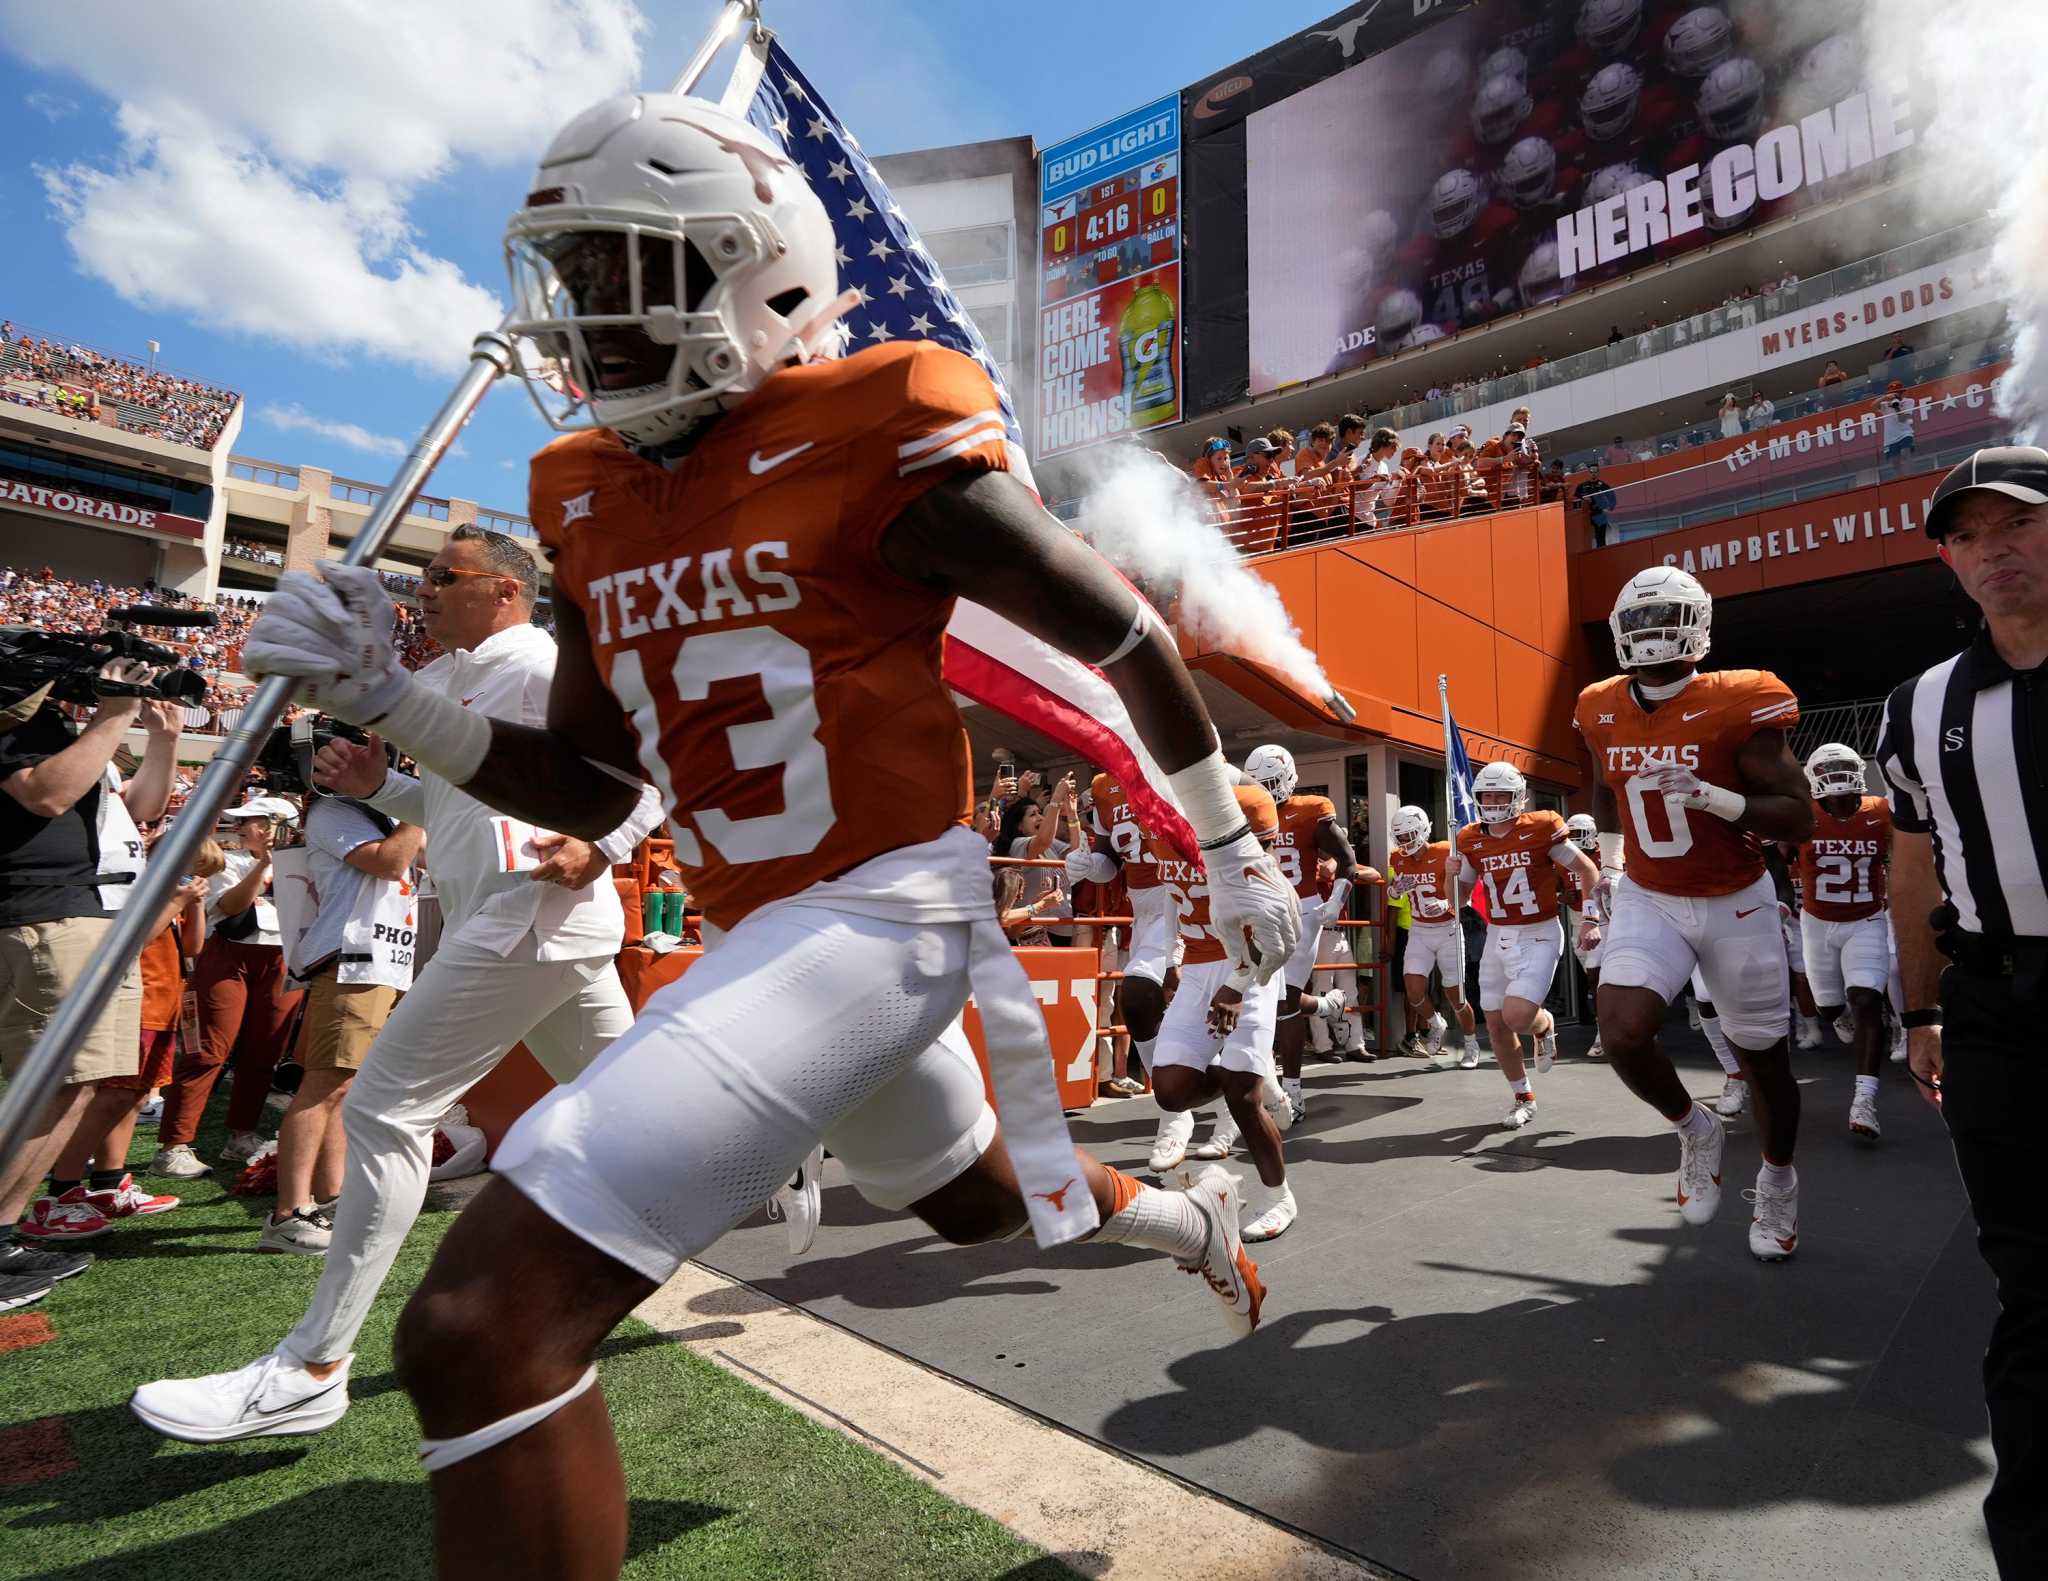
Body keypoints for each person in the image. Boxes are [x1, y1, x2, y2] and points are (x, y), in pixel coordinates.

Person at [226, 93, 1301, 1575]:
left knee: (483, 1324)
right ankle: (1191, 1221)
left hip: (890, 909)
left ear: (756, 271)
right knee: (979, 1200)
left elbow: (1115, 628)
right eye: (573, 273)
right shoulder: (585, 492)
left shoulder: (877, 422)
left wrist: (1225, 845)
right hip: (766, 922)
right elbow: (598, 789)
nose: (584, 314)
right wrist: (395, 702)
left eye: (624, 270)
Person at [131, 524, 665, 1443]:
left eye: (441, 576)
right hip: (527, 922)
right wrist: (391, 784)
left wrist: (605, 842)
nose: (420, 590)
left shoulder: (536, 660)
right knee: (647, 1103)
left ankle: (311, 1365)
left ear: (504, 590)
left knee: (381, 1112)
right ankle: (783, 1151)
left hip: (526, 917)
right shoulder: (463, 678)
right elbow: (459, 808)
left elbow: (658, 759)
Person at [1876, 444, 2048, 1579]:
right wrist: (1919, 1013)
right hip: (2000, 1009)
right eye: (1969, 535)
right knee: (2033, 1291)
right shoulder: (1918, 709)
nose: (1994, 551)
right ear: (1946, 559)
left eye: (2018, 524)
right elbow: (1910, 870)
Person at [1574, 567, 1813, 1260]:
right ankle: (1695, 1126)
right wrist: (1610, 874)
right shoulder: (1598, 704)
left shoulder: (1743, 699)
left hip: (1735, 897)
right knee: (1620, 1030)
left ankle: (1777, 1177)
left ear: (1698, 626)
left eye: (1663, 620)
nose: (1650, 635)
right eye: (1638, 622)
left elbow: (1798, 817)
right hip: (1651, 893)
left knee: (1763, 1059)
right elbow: (1604, 787)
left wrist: (1712, 797)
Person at [0, 667, 182, 1307]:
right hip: (48, 913)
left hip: (96, 912)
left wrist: (160, 740)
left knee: (76, 1082)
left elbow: (134, 815)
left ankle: (5, 1233)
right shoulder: (17, 719)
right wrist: (112, 713)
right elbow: (46, 794)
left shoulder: (70, 735)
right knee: (50, 1083)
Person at [261, 767, 426, 1254]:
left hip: (382, 961)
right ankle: (288, 1213)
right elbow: (391, 862)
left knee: (346, 1086)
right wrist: (419, 812)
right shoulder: (335, 811)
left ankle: (332, 1195)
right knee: (324, 1084)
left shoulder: (376, 814)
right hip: (353, 960)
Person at [1148, 784, 1298, 1241]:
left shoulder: (1242, 818)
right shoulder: (1159, 823)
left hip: (1253, 965)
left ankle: (1279, 1198)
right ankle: (1257, 1077)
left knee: (1241, 1095)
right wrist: (1172, 958)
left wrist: (1235, 985)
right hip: (1195, 967)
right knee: (1171, 1090)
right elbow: (1173, 899)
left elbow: (1271, 922)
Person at [150, 795, 304, 1174]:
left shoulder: (305, 861)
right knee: (208, 1050)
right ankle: (175, 1144)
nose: (238, 826)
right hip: (229, 954)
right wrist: (265, 865)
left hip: (283, 956)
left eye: (248, 820)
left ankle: (242, 1135)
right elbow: (232, 907)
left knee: (264, 1053)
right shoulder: (224, 860)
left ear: (274, 826)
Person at [1456, 764, 1599, 1129]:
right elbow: (1457, 898)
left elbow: (1587, 871)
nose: (1492, 802)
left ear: (1517, 798)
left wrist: (1592, 919)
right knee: (1496, 1025)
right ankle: (1524, 1097)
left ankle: (1544, 1024)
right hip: (1497, 934)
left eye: (1500, 796)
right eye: (1486, 795)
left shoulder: (1541, 827)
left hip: (1539, 932)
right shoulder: (1471, 839)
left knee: (1516, 1016)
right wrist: (1448, 874)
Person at [1072, 773, 1197, 1169]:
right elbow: (1111, 862)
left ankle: (1252, 1098)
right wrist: (1090, 864)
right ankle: (1174, 1106)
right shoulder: (1105, 785)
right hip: (1146, 912)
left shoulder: (1172, 764)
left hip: (1193, 899)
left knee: (1161, 998)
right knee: (1143, 999)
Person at [1243, 744, 1367, 1123]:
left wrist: (1336, 902)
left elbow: (1348, 861)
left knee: (1283, 1003)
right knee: (1259, 997)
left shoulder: (1312, 810)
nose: (1263, 791)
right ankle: (1325, 1005)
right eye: (1257, 784)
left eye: (1270, 783)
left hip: (1303, 912)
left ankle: (1293, 1090)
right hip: (1258, 912)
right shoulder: (1242, 811)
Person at [1792, 743, 1893, 1141]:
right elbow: (1777, 857)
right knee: (1829, 1007)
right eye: (1827, 768)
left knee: (1866, 998)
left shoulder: (1882, 811)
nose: (1835, 774)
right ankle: (1839, 1017)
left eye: (1842, 766)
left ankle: (1864, 1100)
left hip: (1867, 919)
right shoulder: (1803, 816)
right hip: (1817, 923)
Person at [1386, 804, 1478, 1065]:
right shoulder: (1398, 858)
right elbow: (1396, 892)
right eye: (1400, 837)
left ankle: (1471, 1044)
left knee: (1455, 995)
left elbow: (1466, 896)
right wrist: (1395, 892)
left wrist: (1447, 904)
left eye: (1409, 835)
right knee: (1413, 991)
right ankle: (1436, 1024)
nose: (1405, 841)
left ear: (1423, 830)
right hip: (1418, 930)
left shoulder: (1444, 852)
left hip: (1447, 928)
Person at [1559, 813, 1605, 1057]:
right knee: (1593, 977)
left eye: (1578, 834)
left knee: (1600, 977)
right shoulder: (1564, 859)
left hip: (1610, 919)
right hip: (1577, 921)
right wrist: (1561, 897)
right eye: (1571, 834)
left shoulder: (1606, 854)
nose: (1574, 840)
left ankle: (1605, 1032)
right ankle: (1607, 1026)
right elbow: (1555, 888)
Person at [1574, 464, 1617, 547]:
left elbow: (1613, 498)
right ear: (1588, 473)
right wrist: (1583, 497)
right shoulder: (1582, 486)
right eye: (1591, 472)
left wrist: (1609, 508)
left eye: (1595, 471)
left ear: (1598, 473)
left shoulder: (1603, 485)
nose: (1593, 473)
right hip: (1586, 515)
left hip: (1599, 515)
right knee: (1584, 539)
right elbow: (1575, 496)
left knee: (1600, 540)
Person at [1877, 380, 1916, 462]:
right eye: (1893, 393)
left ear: (1902, 392)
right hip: (1890, 438)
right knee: (1894, 462)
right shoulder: (1885, 404)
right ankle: (1901, 475)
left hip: (1905, 433)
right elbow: (1872, 406)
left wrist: (1896, 406)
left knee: (1905, 454)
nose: (1895, 395)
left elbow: (1903, 418)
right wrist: (1884, 398)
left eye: (1898, 392)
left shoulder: (1909, 401)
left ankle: (1910, 474)